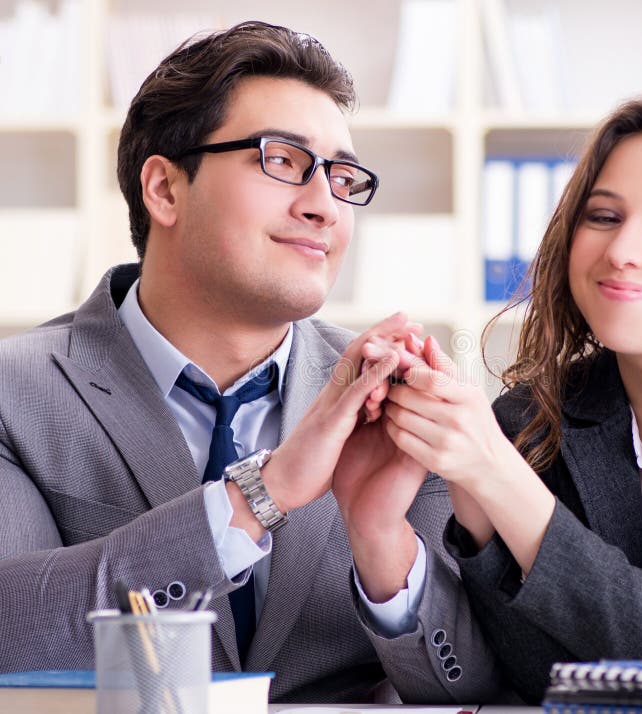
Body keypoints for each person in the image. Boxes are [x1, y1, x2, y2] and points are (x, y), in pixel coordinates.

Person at [0, 21, 499, 703]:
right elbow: (11, 632)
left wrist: (383, 540)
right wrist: (256, 500)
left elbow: (471, 688)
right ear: (165, 190)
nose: (324, 205)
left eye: (342, 176)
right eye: (283, 161)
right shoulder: (15, 395)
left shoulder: (395, 396)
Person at [380, 88, 642, 702]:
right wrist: (474, 498)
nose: (622, 252)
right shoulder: (528, 422)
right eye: (603, 216)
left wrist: (497, 477)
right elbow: (538, 678)